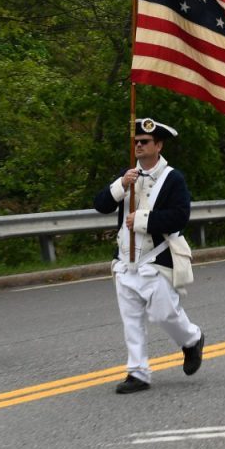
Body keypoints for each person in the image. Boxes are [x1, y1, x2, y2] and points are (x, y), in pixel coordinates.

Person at [93, 118, 205, 395]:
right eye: (136, 142)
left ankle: (192, 339)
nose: (139, 146)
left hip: (156, 260)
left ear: (158, 145)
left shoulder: (172, 178)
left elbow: (181, 216)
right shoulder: (128, 174)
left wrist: (142, 220)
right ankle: (138, 372)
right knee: (131, 319)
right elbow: (101, 205)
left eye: (144, 142)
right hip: (126, 260)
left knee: (164, 313)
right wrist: (120, 184)